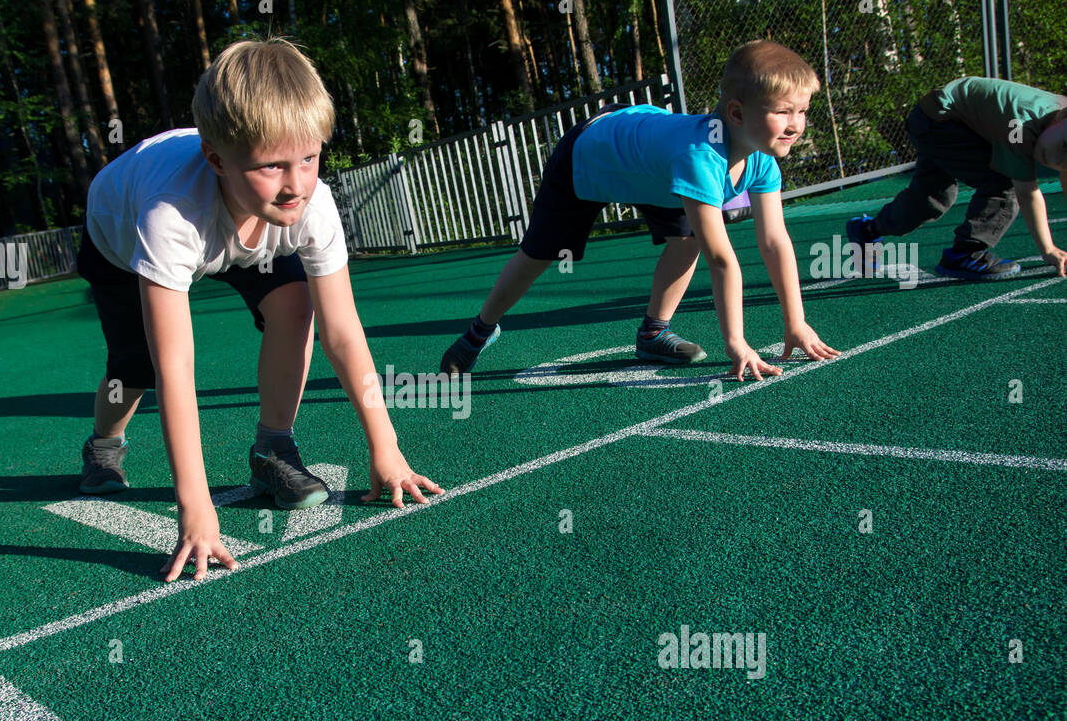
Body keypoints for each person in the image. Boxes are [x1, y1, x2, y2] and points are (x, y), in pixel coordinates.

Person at [77, 38, 441, 582]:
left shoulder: (306, 203)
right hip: (119, 241)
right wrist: (195, 509)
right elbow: (178, 367)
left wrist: (386, 447)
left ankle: (273, 451)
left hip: (243, 227)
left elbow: (342, 331)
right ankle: (104, 446)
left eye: (310, 157)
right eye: (272, 165)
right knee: (137, 368)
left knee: (297, 308)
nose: (296, 184)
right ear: (217, 159)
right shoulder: (169, 215)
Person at [440, 39, 839, 382]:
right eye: (784, 112)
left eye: (802, 111)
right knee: (538, 256)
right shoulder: (699, 158)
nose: (797, 124)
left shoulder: (761, 158)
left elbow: (774, 241)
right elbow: (723, 259)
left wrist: (796, 323)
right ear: (737, 114)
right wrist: (736, 344)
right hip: (593, 152)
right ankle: (479, 331)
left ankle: (652, 334)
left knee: (686, 241)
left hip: (650, 161)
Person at [846, 77, 1067, 280]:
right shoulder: (1019, 124)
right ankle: (964, 253)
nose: (1057, 159)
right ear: (1061, 118)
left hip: (937, 119)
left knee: (929, 198)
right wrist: (1048, 250)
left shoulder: (1057, 119)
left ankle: (867, 230)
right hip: (940, 121)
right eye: (1064, 146)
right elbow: (1027, 192)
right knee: (1003, 181)